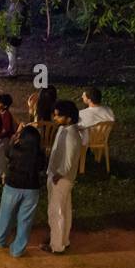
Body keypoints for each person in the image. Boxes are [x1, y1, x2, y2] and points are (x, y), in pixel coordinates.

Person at [0, 126, 48, 257]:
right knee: (25, 220)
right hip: (32, 188)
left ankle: (0, 240)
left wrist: (13, 140)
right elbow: (41, 168)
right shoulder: (40, 154)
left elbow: (6, 153)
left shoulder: (15, 149)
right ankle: (17, 250)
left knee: (5, 214)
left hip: (13, 186)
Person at [43, 100, 84, 255]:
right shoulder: (64, 130)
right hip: (58, 176)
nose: (55, 118)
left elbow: (69, 161)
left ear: (68, 118)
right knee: (64, 210)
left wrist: (58, 175)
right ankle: (62, 241)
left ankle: (56, 245)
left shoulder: (71, 135)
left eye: (58, 116)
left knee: (56, 212)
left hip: (61, 179)